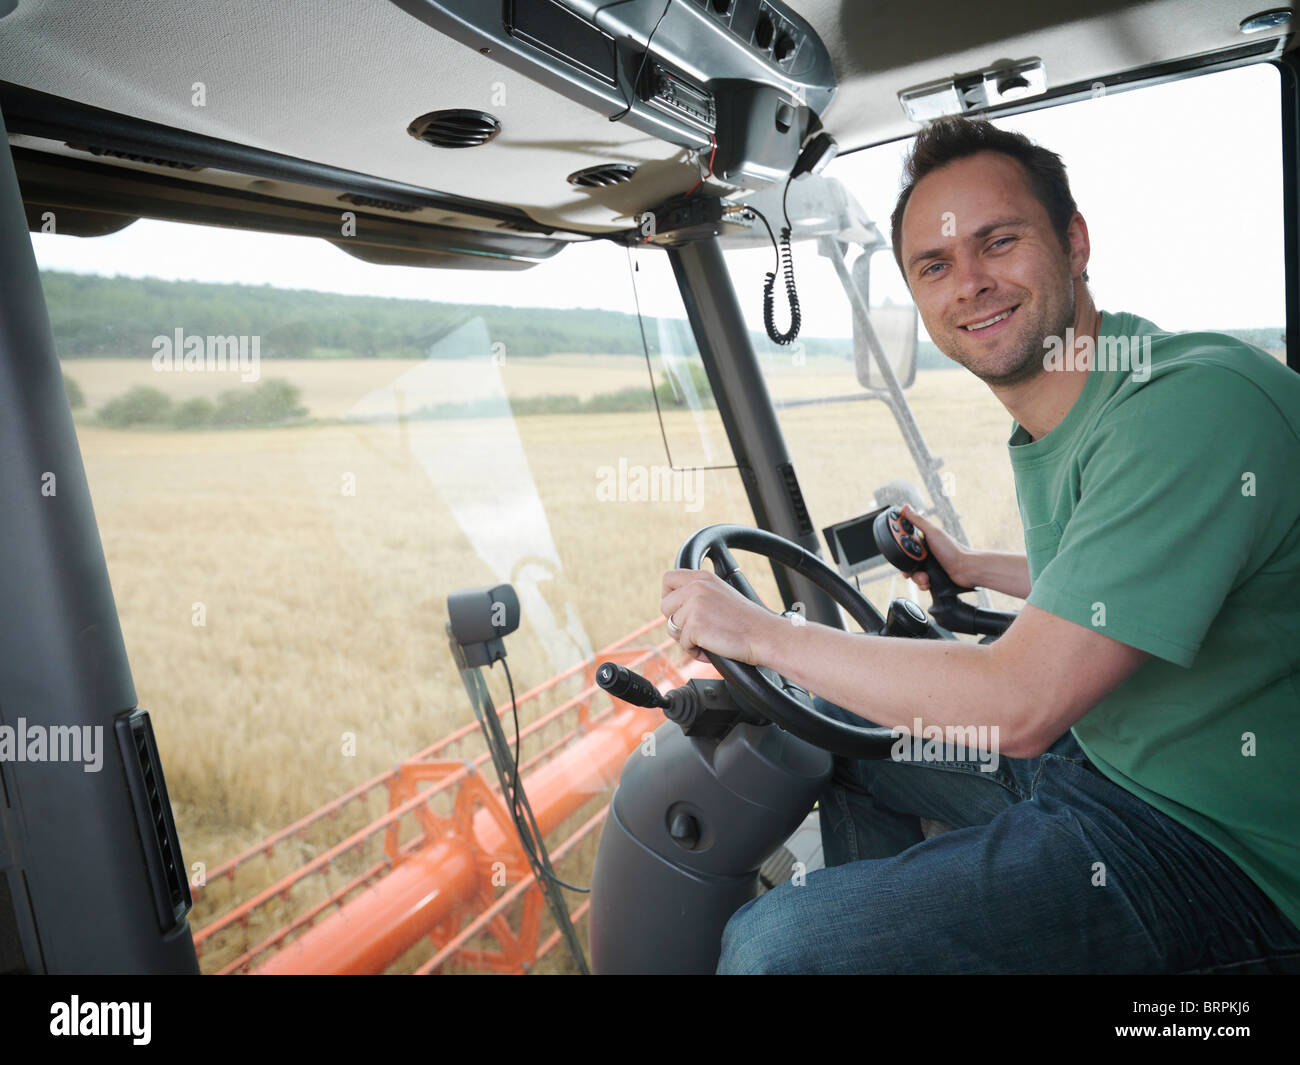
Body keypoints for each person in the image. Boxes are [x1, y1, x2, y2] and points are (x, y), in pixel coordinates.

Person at [659, 115, 1300, 974]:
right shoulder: (1092, 398)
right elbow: (1119, 578)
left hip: (1229, 858)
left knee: (774, 949)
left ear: (1074, 242)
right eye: (935, 265)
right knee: (848, 743)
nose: (970, 284)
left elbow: (1024, 701)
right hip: (1107, 758)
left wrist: (762, 634)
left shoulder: (1187, 408)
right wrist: (970, 568)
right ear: (919, 299)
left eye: (999, 241)